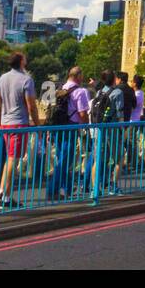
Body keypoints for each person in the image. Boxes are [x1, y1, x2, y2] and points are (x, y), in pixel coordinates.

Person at [0, 52, 37, 207]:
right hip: (19, 123)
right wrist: (37, 124)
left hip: (5, 123)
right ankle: (5, 196)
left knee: (9, 158)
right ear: (21, 62)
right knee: (13, 159)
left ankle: (1, 192)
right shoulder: (26, 80)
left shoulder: (2, 78)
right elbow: (31, 105)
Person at [47, 66, 90, 200]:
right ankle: (52, 191)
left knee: (62, 159)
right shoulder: (81, 91)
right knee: (65, 161)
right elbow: (82, 114)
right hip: (70, 128)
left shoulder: (61, 88)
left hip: (57, 128)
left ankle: (68, 188)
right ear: (78, 76)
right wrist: (86, 126)